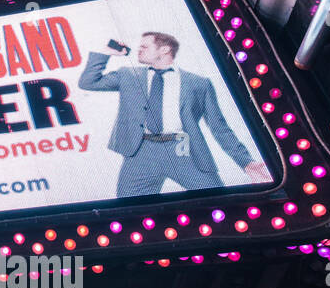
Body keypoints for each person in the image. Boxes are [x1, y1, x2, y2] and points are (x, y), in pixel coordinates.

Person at [79, 31, 270, 198]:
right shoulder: (129, 76)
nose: (139, 50)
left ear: (164, 50)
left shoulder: (198, 83)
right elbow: (88, 82)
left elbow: (219, 127)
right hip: (141, 152)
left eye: (145, 46)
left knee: (217, 199)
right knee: (128, 211)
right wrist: (107, 53)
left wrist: (245, 162)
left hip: (183, 150)